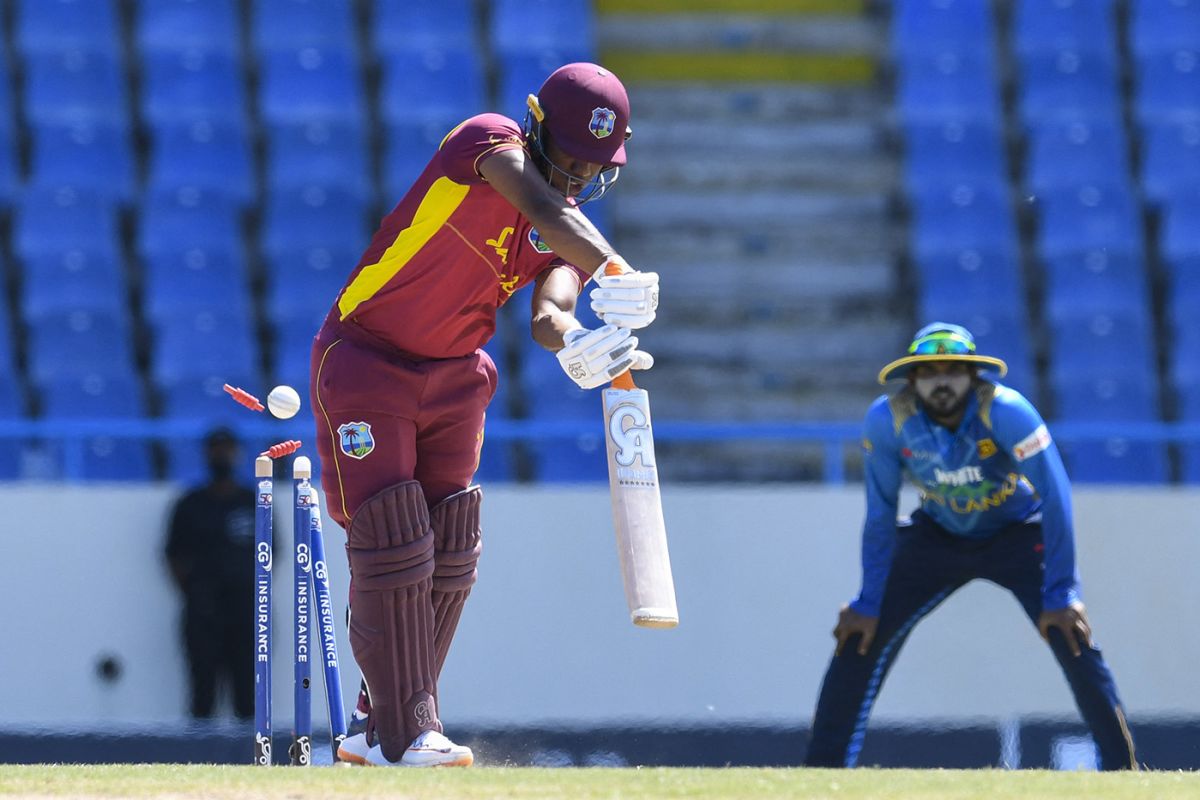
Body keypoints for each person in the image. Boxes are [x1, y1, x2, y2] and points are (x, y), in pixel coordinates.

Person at [310, 62, 659, 767]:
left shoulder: (567, 226)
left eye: (591, 170)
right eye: (566, 158)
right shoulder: (486, 143)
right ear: (535, 124)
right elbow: (545, 209)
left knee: (451, 544)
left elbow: (550, 314)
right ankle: (403, 736)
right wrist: (617, 268)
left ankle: (372, 725)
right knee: (392, 536)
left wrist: (580, 345)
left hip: (456, 377)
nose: (573, 180)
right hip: (367, 356)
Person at [803, 323, 1138, 770]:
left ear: (976, 377)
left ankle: (1123, 773)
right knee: (858, 635)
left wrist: (1063, 591)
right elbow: (880, 512)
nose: (942, 381)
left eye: (954, 370)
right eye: (929, 372)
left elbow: (1055, 498)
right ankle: (819, 776)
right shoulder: (888, 420)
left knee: (1070, 632)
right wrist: (868, 599)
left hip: (1016, 533)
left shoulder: (1008, 412)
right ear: (912, 380)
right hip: (936, 535)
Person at [164, 427, 257, 720]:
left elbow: (271, 555)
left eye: (227, 449)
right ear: (206, 454)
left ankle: (253, 761)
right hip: (203, 614)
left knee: (248, 694)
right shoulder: (190, 504)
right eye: (216, 449)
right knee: (202, 694)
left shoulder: (253, 503)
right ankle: (198, 761)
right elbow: (173, 556)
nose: (222, 455)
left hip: (246, 612)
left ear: (237, 454)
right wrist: (196, 593)